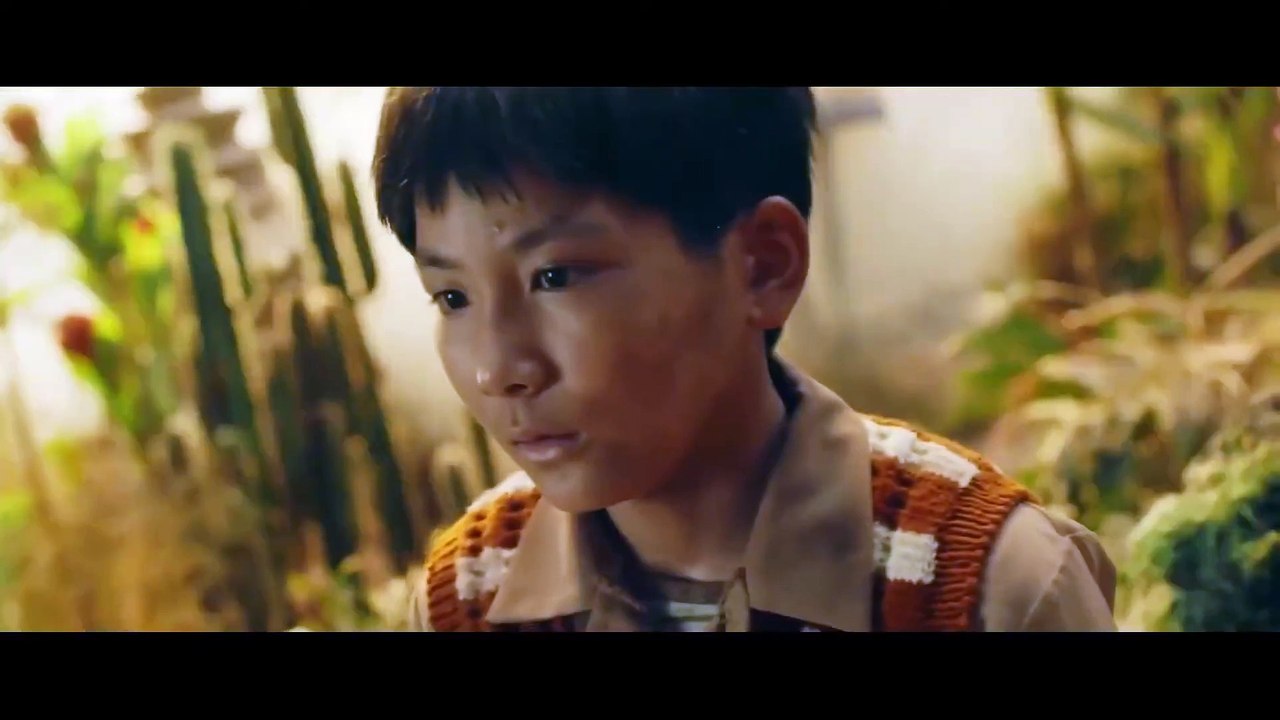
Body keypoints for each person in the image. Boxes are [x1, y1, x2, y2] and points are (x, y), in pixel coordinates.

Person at [372, 87, 1117, 632]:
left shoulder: (985, 584)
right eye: (452, 297)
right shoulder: (466, 596)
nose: (497, 368)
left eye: (555, 277)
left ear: (763, 265)